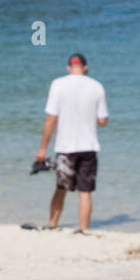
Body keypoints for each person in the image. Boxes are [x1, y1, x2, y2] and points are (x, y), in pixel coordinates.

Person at [35, 53, 108, 233]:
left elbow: (51, 118)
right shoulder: (97, 86)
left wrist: (42, 147)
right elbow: (103, 120)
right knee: (85, 192)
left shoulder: (58, 84)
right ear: (85, 68)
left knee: (61, 188)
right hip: (88, 146)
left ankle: (53, 225)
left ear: (68, 68)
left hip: (66, 147)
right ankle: (84, 228)